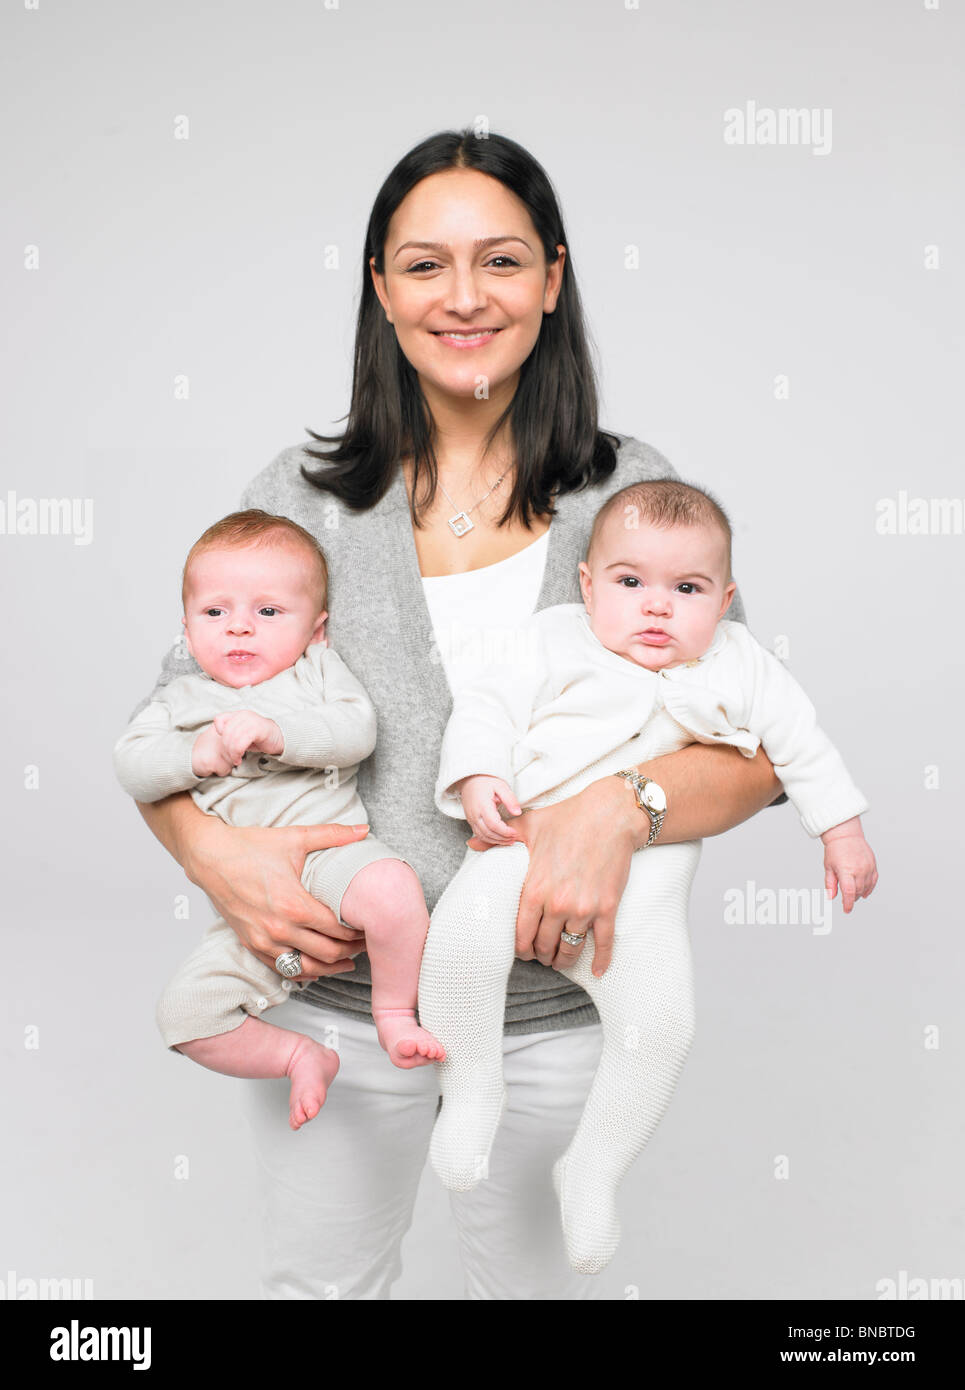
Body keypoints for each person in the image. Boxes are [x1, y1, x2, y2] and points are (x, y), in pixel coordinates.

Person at [128, 127, 786, 1301]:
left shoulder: (628, 496)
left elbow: (756, 753)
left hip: (548, 1007)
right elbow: (171, 722)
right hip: (328, 1003)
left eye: (499, 260)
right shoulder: (296, 498)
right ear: (379, 290)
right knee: (319, 1294)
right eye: (423, 265)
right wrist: (217, 857)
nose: (463, 297)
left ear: (551, 278)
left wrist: (623, 806)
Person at [419, 478, 878, 1274]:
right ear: (587, 585)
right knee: (458, 941)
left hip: (644, 904)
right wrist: (476, 776)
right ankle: (471, 1093)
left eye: (687, 589)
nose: (656, 608)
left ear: (724, 600)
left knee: (661, 1028)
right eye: (630, 584)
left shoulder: (742, 663)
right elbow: (486, 708)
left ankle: (591, 1170)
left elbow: (799, 746)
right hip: (519, 850)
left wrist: (841, 831)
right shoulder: (553, 639)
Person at [112, 510, 444, 1132]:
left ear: (316, 630)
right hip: (249, 895)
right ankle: (299, 1054)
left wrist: (278, 733)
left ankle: (395, 1011)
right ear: (185, 629)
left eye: (268, 613)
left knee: (395, 891)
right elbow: (131, 766)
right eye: (215, 613)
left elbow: (356, 731)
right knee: (185, 1016)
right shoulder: (178, 702)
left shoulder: (316, 673)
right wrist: (195, 757)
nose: (239, 626)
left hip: (333, 858)